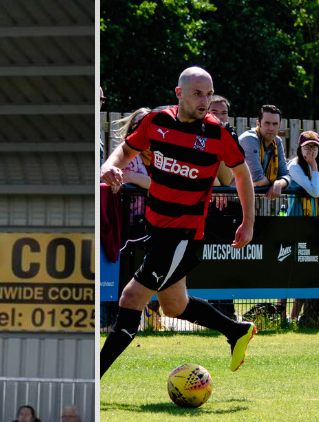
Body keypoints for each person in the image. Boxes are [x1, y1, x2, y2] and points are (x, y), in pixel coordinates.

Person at [100, 66, 259, 377]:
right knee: (174, 306)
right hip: (156, 231)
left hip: (183, 237)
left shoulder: (217, 133)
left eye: (209, 94)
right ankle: (236, 331)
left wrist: (248, 222)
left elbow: (242, 174)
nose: (205, 101)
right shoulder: (156, 121)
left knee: (131, 298)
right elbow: (126, 148)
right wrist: (109, 166)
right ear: (179, 94)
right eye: (198, 94)